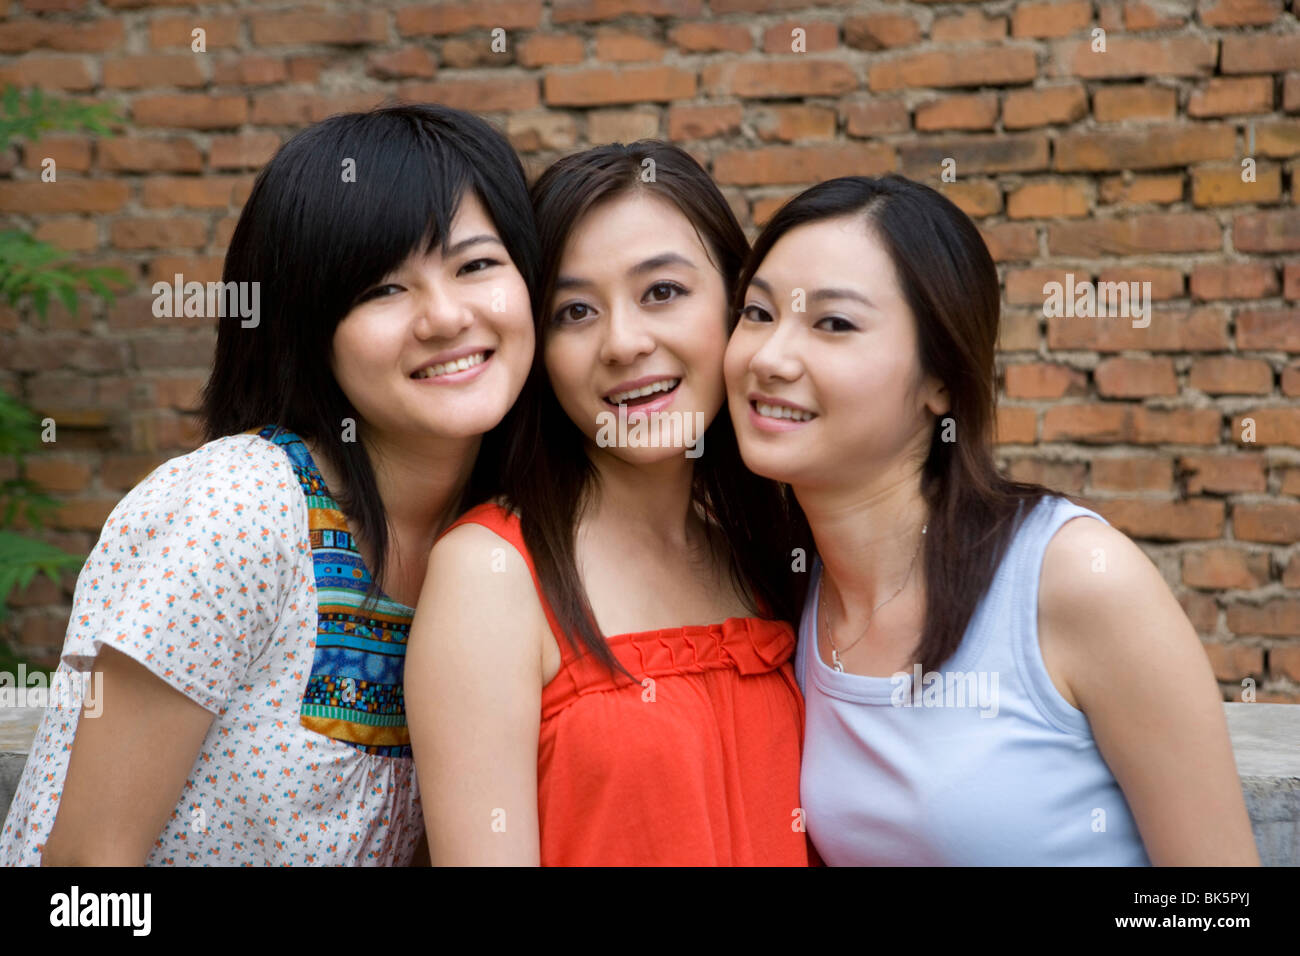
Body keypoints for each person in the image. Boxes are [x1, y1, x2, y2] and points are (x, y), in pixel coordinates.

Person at [0, 103, 539, 866]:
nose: (446, 316)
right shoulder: (237, 510)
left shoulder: (507, 538)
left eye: (476, 265)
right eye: (382, 289)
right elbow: (89, 866)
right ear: (307, 328)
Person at [723, 174, 1260, 866]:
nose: (769, 357)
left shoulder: (1075, 580)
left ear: (941, 380)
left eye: (834, 323)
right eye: (758, 314)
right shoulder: (787, 592)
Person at [406, 141, 811, 866]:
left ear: (737, 306)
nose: (623, 343)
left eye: (662, 292)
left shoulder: (768, 552)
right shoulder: (491, 575)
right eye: (575, 311)